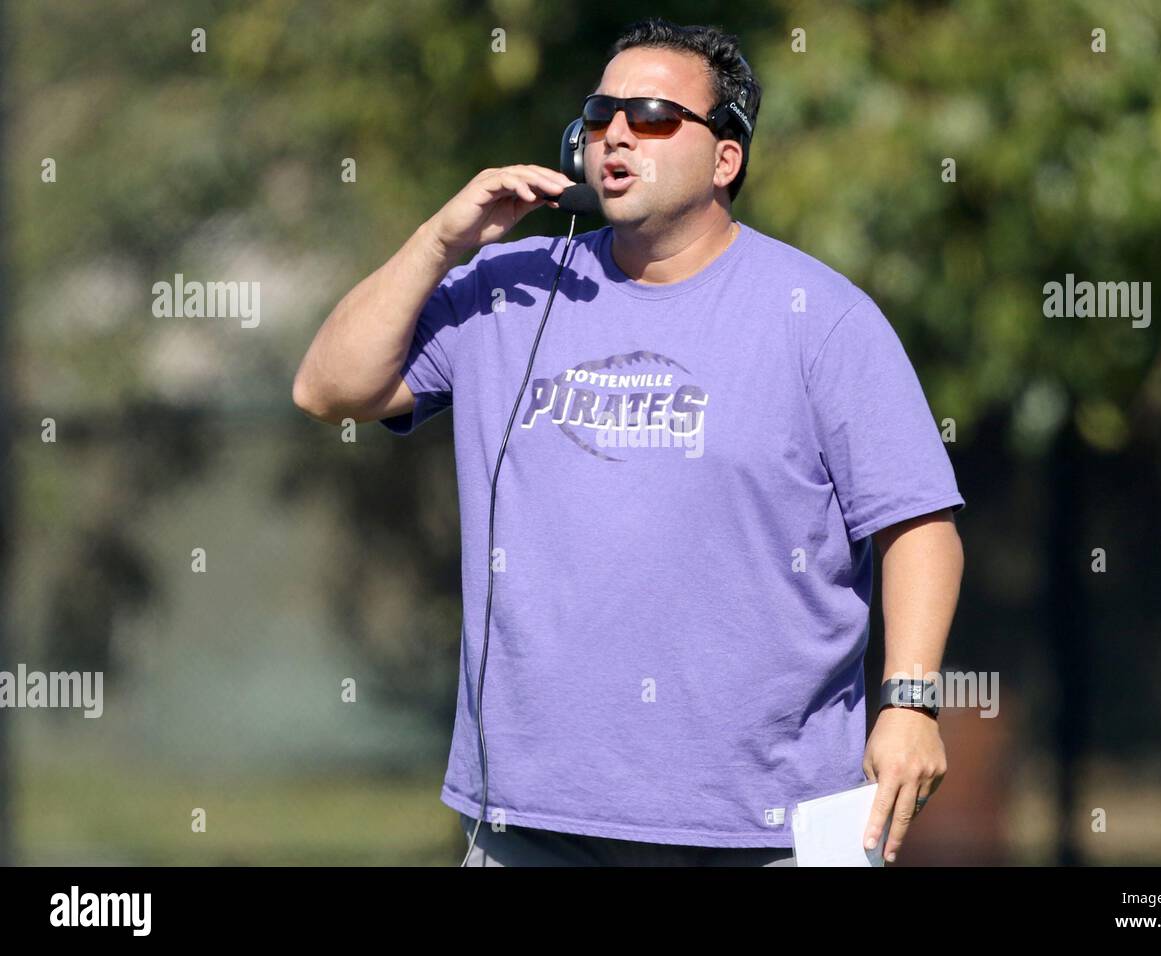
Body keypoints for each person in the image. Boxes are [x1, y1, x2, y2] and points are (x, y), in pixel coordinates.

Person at [292, 17, 965, 867]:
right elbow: (327, 387)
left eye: (650, 115)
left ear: (726, 159)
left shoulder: (820, 317)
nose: (616, 133)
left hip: (765, 829)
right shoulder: (509, 288)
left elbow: (919, 525)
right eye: (601, 114)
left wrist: (908, 704)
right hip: (535, 821)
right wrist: (441, 242)